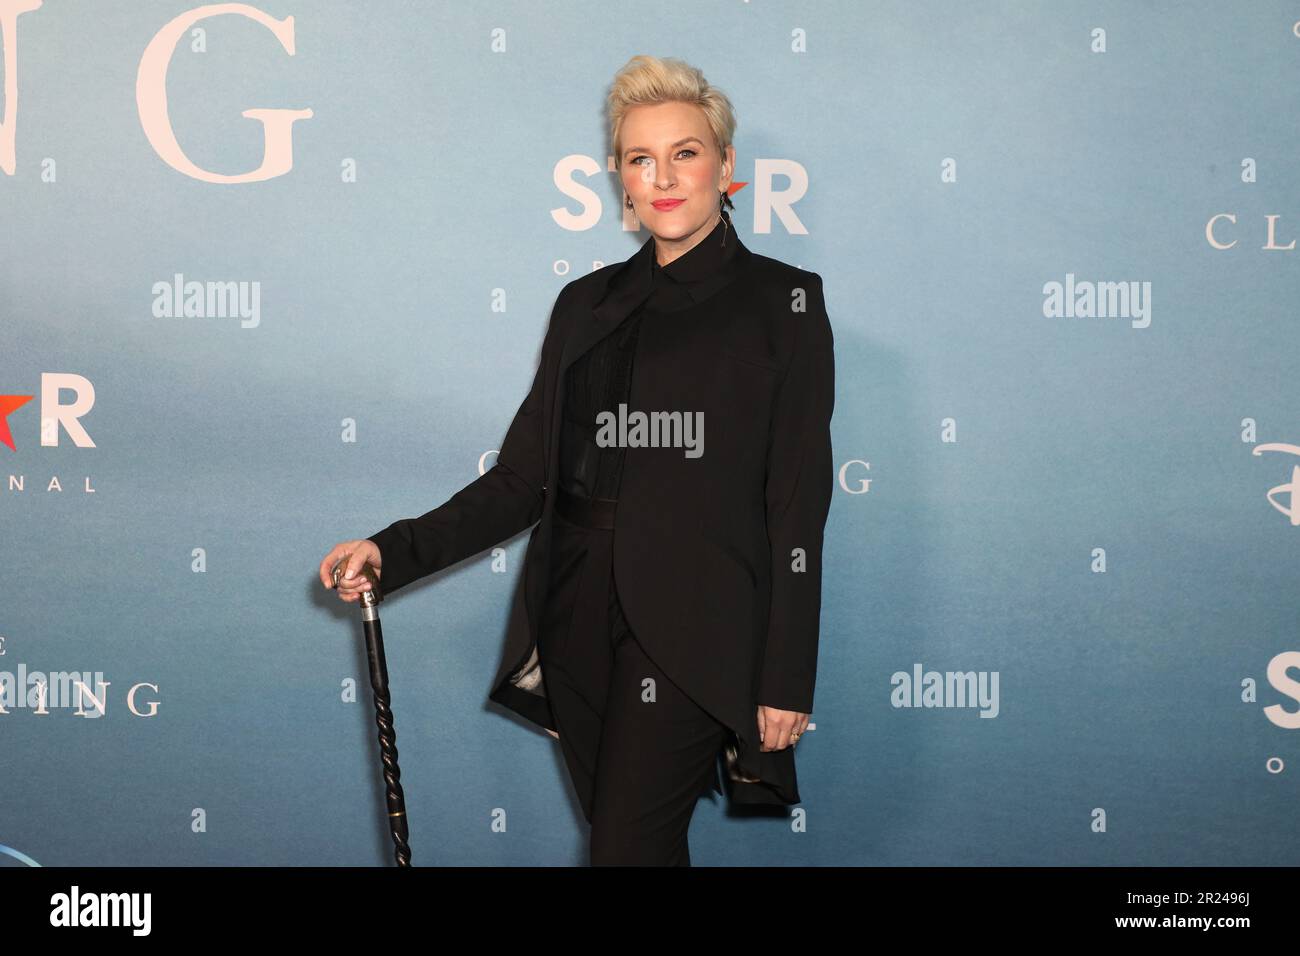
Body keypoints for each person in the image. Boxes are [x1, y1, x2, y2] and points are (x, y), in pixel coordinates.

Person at [319, 54, 835, 866]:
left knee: (624, 851)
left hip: (695, 632)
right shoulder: (584, 306)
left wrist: (786, 676)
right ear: (621, 178)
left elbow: (796, 504)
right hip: (575, 617)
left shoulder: (785, 304)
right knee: (634, 850)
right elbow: (523, 480)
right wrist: (393, 549)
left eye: (686, 153)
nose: (663, 177)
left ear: (726, 167)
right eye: (641, 158)